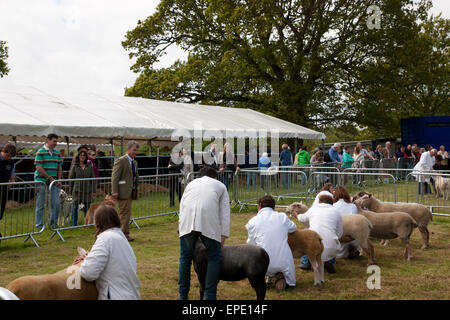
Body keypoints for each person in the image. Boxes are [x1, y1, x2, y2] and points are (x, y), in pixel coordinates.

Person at [178, 166, 230, 300]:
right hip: (208, 221)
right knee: (214, 257)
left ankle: (182, 296)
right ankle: (210, 296)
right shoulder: (220, 185)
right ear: (215, 177)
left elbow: (182, 206)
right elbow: (224, 213)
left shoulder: (190, 184)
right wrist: (223, 235)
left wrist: (181, 227)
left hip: (187, 221)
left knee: (185, 258)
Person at [75, 205, 141, 300]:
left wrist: (82, 263)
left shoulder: (105, 238)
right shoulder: (120, 236)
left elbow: (88, 273)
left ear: (97, 223)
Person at [246, 195, 297, 292]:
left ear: (259, 206)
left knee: (254, 251)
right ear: (273, 206)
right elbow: (293, 228)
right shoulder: (282, 217)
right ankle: (283, 279)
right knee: (284, 252)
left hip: (263, 263)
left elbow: (250, 244)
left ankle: (266, 277)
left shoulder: (252, 221)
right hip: (283, 263)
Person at [291, 194, 343, 274]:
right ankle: (329, 262)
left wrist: (296, 215)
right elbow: (340, 233)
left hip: (314, 246)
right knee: (331, 240)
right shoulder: (337, 212)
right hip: (332, 247)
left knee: (306, 236)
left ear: (319, 201)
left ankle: (305, 262)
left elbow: (302, 218)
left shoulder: (314, 209)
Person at [111, 141, 139, 241]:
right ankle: (122, 235)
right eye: (134, 150)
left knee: (126, 213)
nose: (135, 152)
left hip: (131, 191)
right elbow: (115, 177)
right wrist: (114, 191)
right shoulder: (121, 160)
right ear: (128, 149)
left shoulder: (134, 162)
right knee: (124, 213)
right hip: (123, 191)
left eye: (136, 150)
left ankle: (124, 233)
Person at [34, 133, 63, 230]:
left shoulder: (57, 153)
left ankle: (53, 224)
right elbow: (39, 167)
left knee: (56, 203)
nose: (56, 143)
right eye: (54, 141)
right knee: (41, 204)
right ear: (48, 140)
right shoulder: (40, 152)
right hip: (41, 181)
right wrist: (49, 177)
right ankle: (39, 225)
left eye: (56, 141)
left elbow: (59, 167)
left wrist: (58, 179)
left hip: (54, 181)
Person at [69, 150, 96, 226]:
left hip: (87, 190)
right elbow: (71, 179)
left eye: (84, 155)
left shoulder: (90, 166)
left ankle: (86, 224)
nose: (82, 157)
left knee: (87, 208)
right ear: (78, 156)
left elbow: (93, 179)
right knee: (75, 208)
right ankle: (74, 224)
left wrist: (93, 190)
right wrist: (71, 191)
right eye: (81, 155)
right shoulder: (75, 166)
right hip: (77, 190)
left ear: (86, 157)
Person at [333, 186, 360, 259]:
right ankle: (353, 248)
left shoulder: (333, 206)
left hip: (339, 234)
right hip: (352, 235)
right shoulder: (353, 206)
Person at [0, 144, 16, 223]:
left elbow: (12, 175)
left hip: (4, 189)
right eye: (8, 155)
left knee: (0, 211)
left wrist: (11, 183)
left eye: (11, 156)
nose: (9, 158)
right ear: (3, 151)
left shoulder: (11, 162)